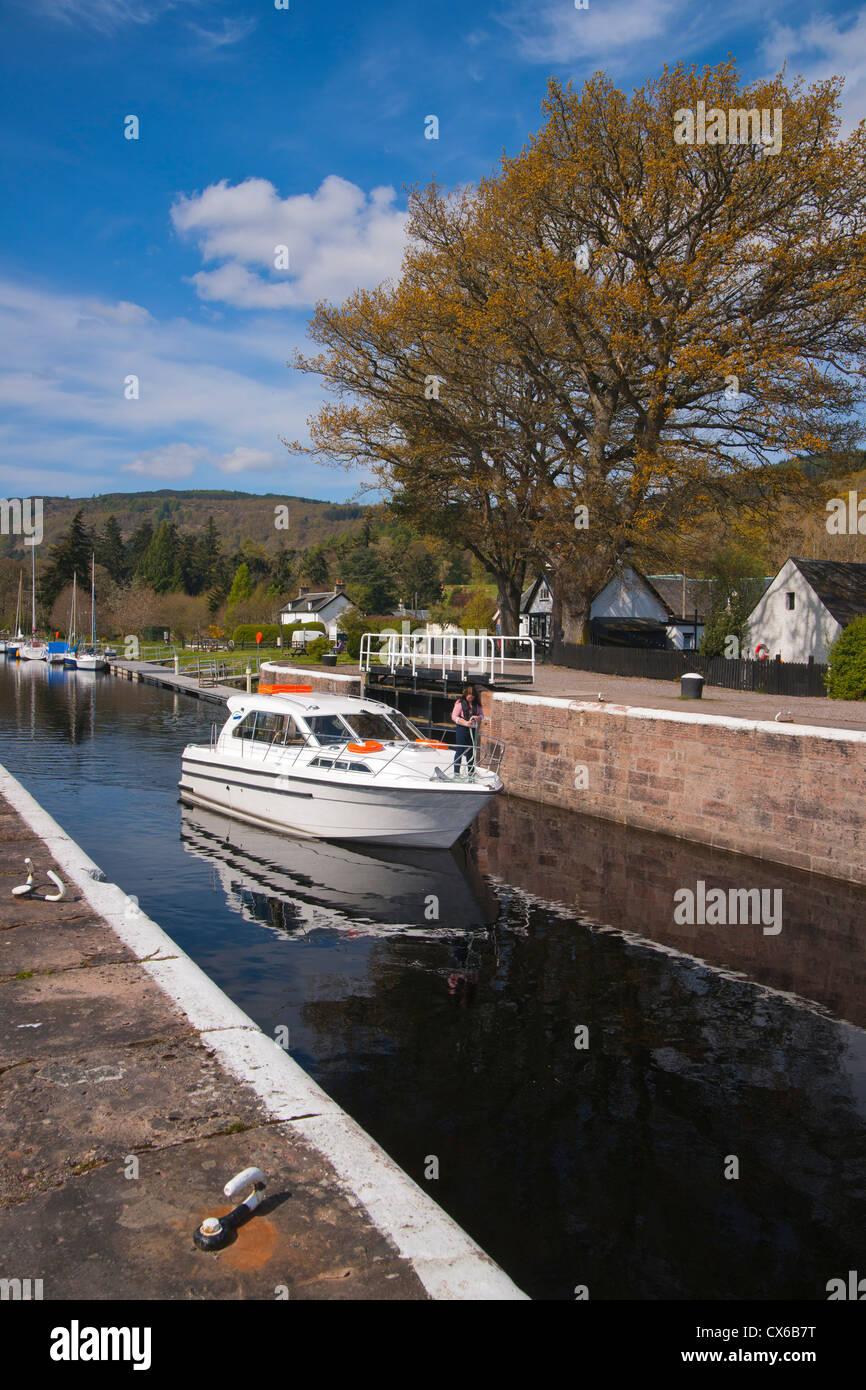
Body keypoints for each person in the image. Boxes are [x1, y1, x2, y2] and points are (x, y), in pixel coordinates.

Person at [451, 683, 483, 774]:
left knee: (471, 752)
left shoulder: (477, 705)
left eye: (472, 698)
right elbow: (453, 716)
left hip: (472, 730)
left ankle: (471, 773)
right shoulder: (460, 704)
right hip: (462, 730)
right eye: (469, 697)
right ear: (465, 695)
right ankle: (456, 773)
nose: (470, 699)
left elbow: (482, 715)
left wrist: (479, 717)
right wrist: (465, 723)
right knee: (460, 751)